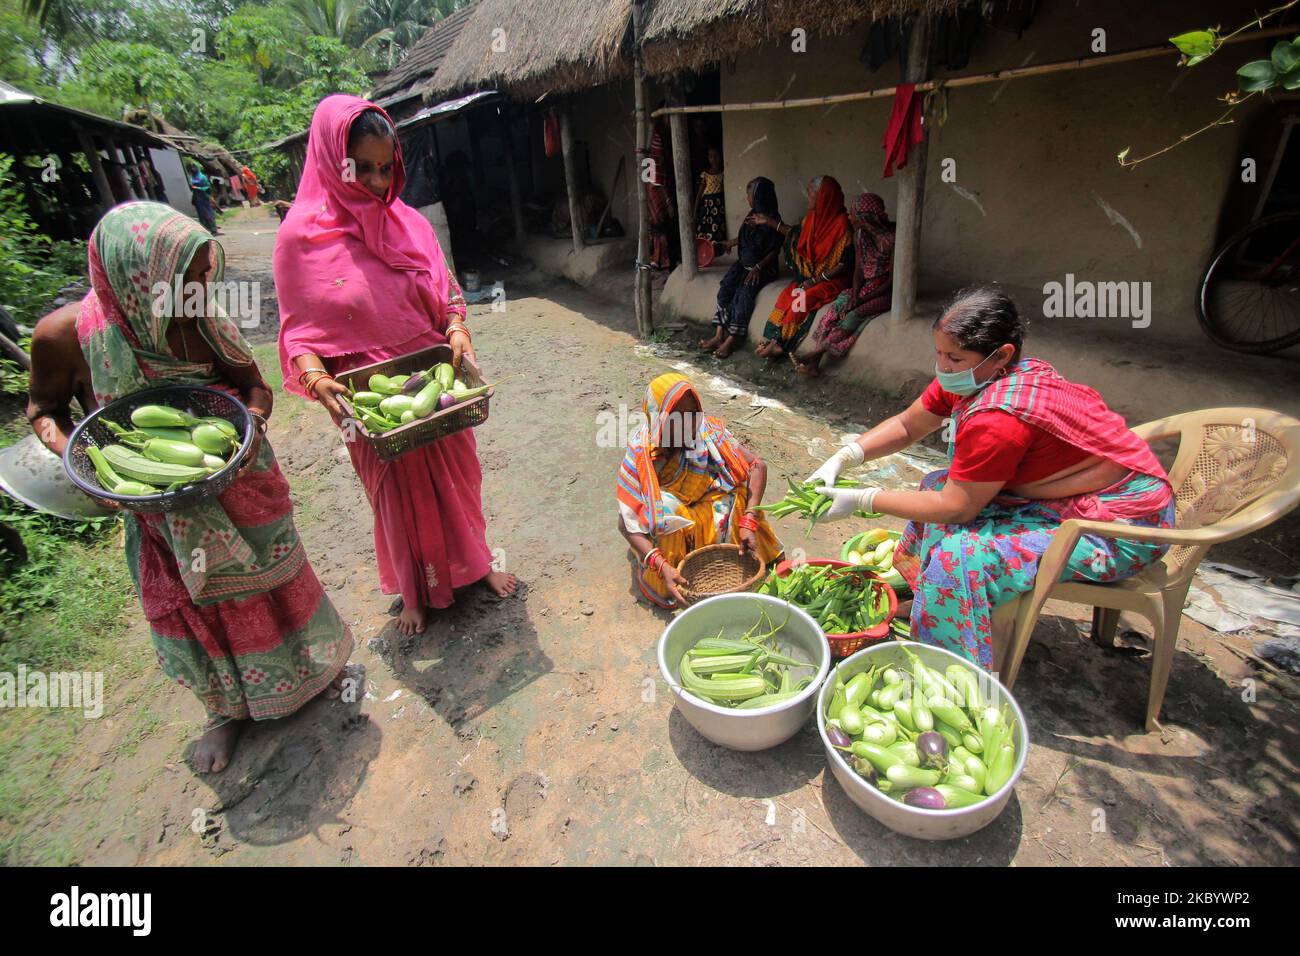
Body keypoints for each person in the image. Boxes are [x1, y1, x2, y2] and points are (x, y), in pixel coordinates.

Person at [25, 201, 353, 773]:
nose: (204, 287)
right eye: (191, 277)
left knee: (276, 579)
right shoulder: (65, 337)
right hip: (157, 507)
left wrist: (253, 425)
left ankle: (311, 670)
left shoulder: (201, 316)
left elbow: (254, 385)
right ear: (138, 279)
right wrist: (82, 453)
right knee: (196, 605)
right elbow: (45, 411)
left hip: (238, 480)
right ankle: (226, 712)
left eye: (206, 272)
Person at [805, 287, 1175, 669]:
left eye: (954, 357)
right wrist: (847, 455)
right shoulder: (974, 378)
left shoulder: (999, 416)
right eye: (939, 353)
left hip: (1121, 527)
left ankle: (951, 668)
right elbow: (907, 424)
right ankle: (938, 603)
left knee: (962, 557)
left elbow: (958, 507)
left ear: (1001, 355)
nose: (943, 366)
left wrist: (864, 499)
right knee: (935, 484)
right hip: (1067, 493)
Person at [274, 95, 518, 639]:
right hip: (369, 396)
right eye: (361, 167)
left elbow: (448, 291)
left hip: (433, 377)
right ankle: (416, 592)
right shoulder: (299, 239)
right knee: (395, 495)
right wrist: (316, 379)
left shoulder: (408, 223)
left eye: (386, 168)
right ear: (331, 158)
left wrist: (456, 328)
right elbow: (298, 331)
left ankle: (476, 567)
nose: (377, 181)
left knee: (460, 481)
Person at [617, 372, 782, 608]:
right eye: (676, 418)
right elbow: (625, 522)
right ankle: (668, 572)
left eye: (693, 414)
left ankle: (724, 555)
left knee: (737, 496)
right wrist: (660, 564)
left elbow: (757, 466)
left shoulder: (708, 432)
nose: (689, 424)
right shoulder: (642, 453)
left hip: (705, 510)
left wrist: (749, 521)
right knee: (666, 510)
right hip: (675, 524)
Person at [795, 192, 895, 376]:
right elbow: (858, 270)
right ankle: (814, 364)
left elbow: (891, 281)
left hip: (885, 293)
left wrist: (863, 300)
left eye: (853, 213)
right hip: (865, 289)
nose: (849, 217)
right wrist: (856, 295)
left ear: (864, 217)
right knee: (838, 307)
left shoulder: (893, 240)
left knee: (854, 315)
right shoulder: (860, 235)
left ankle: (815, 354)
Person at [753, 175, 852, 360]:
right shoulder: (811, 219)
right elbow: (794, 234)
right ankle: (772, 337)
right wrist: (769, 222)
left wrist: (816, 280)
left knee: (803, 299)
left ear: (824, 197)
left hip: (832, 280)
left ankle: (782, 344)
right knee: (788, 294)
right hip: (811, 278)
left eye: (811, 194)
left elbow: (844, 263)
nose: (808, 197)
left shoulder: (841, 225)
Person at [697, 177, 783, 359]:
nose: (748, 198)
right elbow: (745, 238)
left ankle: (731, 340)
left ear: (759, 196)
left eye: (750, 194)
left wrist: (758, 267)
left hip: (762, 268)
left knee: (744, 295)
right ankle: (719, 335)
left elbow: (775, 250)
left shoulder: (772, 219)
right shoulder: (752, 215)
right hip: (743, 265)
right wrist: (731, 242)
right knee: (726, 288)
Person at [641, 111, 677, 270]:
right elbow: (656, 171)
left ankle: (660, 259)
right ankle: (663, 259)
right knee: (662, 224)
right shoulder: (657, 139)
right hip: (656, 187)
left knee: (660, 225)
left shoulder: (660, 137)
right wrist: (667, 199)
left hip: (654, 186)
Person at [693, 146, 726, 245]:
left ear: (720, 156)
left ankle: (715, 252)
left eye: (716, 156)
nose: (714, 159)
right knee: (705, 230)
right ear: (708, 158)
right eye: (711, 156)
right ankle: (706, 252)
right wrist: (695, 212)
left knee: (717, 230)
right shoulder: (705, 174)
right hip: (707, 208)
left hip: (719, 208)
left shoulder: (723, 173)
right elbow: (699, 194)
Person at [189, 165, 218, 235]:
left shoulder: (202, 177)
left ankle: (213, 229)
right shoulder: (192, 177)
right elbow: (191, 187)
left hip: (204, 197)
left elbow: (208, 187)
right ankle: (205, 230)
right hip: (197, 199)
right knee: (201, 215)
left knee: (208, 213)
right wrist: (192, 188)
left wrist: (199, 188)